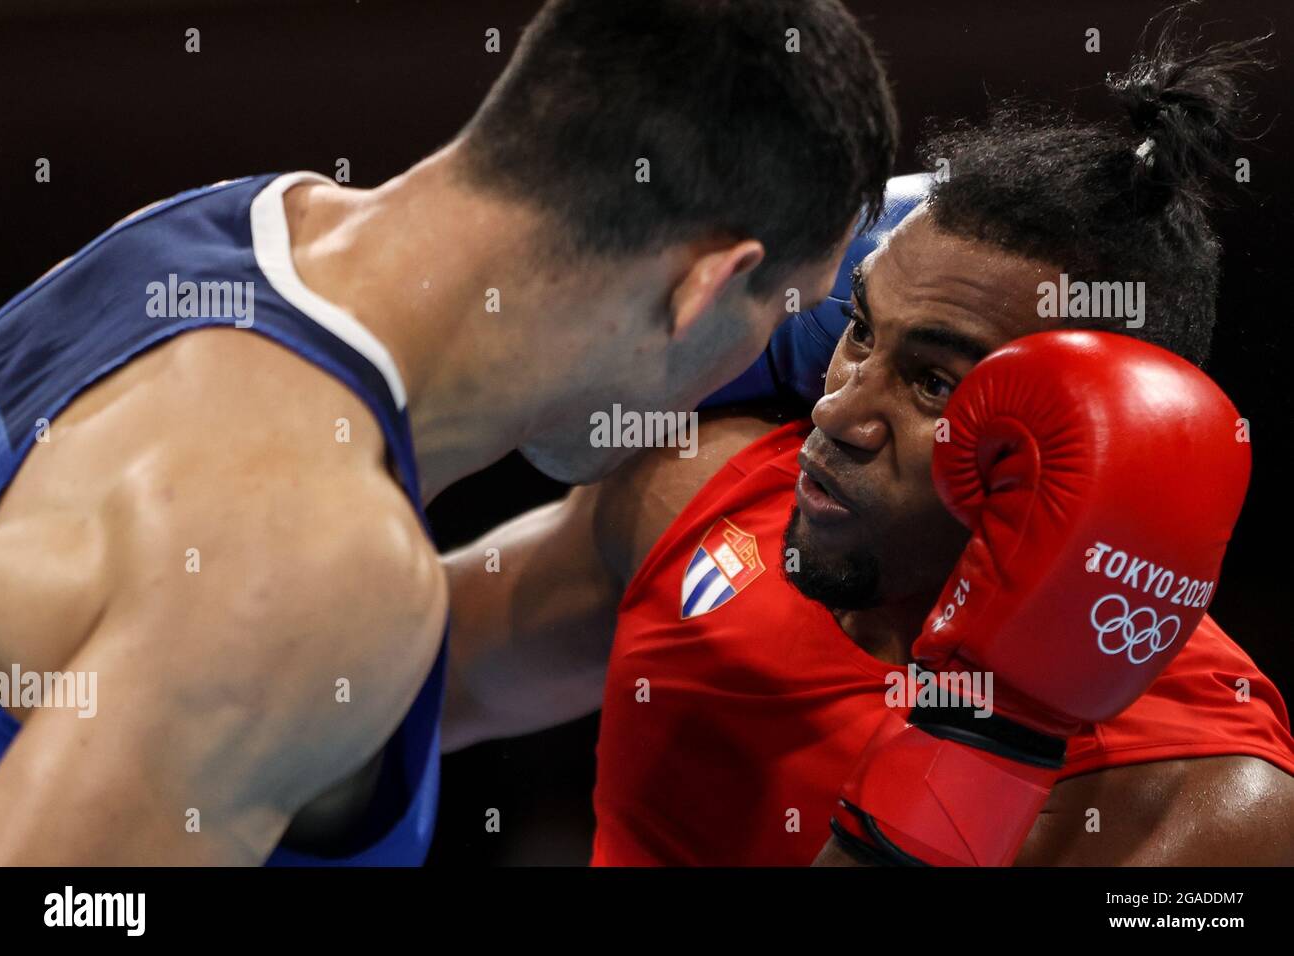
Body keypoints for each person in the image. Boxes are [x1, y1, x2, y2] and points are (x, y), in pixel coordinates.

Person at [0, 0, 897, 865]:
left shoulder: (218, 234)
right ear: (706, 284)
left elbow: (251, 688)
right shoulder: (311, 561)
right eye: (795, 316)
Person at [441, 17, 1294, 865]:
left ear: (1096, 446)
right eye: (859, 330)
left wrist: (995, 731)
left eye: (934, 383)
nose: (837, 416)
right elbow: (385, 693)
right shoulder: (697, 492)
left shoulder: (1205, 803)